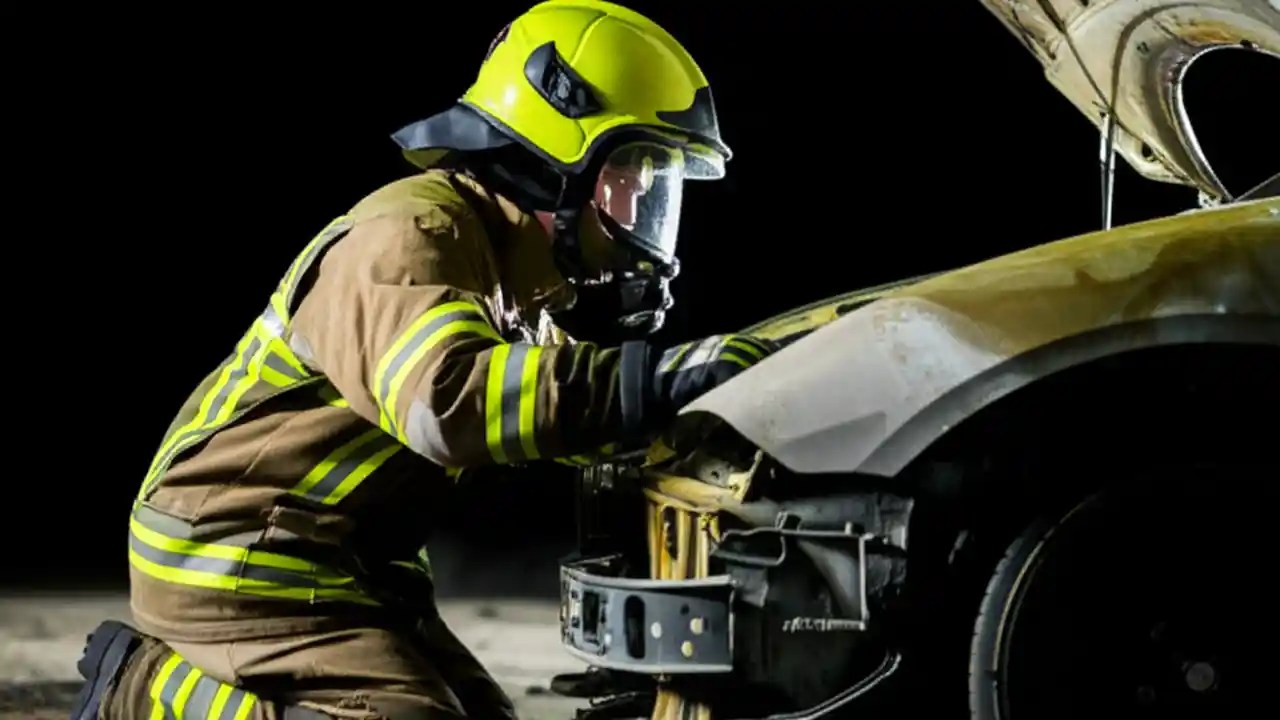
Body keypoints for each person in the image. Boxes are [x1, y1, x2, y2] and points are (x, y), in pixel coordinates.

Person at [71, 1, 778, 719]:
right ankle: (141, 690)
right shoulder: (410, 233)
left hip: (351, 561)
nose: (641, 205)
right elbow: (450, 402)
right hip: (239, 555)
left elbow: (560, 398)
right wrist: (658, 378)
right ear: (556, 154)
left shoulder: (504, 273)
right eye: (630, 173)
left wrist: (703, 408)